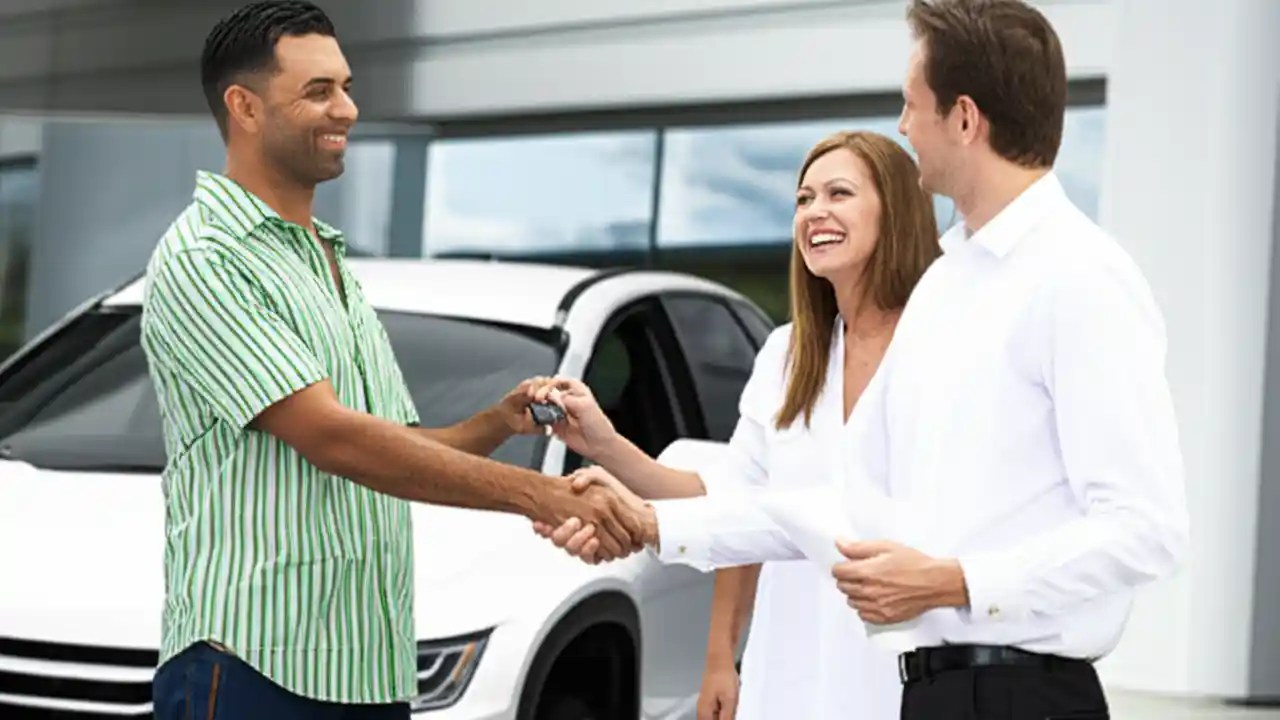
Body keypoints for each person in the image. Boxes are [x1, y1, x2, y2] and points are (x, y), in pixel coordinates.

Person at [544, 1, 1191, 718]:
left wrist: (956, 582)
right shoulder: (947, 284)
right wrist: (650, 523)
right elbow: (832, 509)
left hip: (1020, 691)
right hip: (927, 689)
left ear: (965, 119)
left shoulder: (1079, 276)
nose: (905, 127)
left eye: (912, 107)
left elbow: (1146, 527)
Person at [139, 3, 642, 718]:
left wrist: (495, 423)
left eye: (345, 86)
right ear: (244, 107)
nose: (347, 108)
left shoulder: (327, 260)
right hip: (256, 665)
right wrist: (546, 496)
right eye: (318, 91)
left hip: (366, 668)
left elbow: (393, 447)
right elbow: (335, 440)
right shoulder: (206, 259)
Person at [526, 130, 941, 719]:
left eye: (839, 193)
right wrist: (606, 446)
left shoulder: (943, 345)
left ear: (896, 210)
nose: (815, 212)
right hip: (790, 663)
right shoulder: (786, 354)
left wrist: (642, 521)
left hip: (903, 665)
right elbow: (732, 503)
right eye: (803, 199)